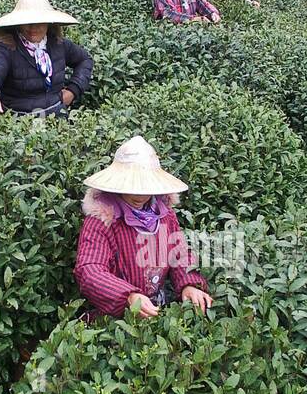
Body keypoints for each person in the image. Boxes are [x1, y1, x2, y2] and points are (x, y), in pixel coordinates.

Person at [74, 135, 213, 320]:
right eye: (132, 187)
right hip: (115, 317)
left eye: (144, 187)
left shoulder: (164, 215)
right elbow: (90, 270)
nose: (139, 196)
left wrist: (190, 285)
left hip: (157, 308)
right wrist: (128, 296)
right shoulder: (102, 220)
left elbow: (178, 254)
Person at [0, 0, 93, 118]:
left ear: (48, 23)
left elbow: (85, 60)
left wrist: (73, 90)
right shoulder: (6, 47)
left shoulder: (58, 44)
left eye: (39, 23)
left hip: (57, 118)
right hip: (19, 121)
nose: (33, 28)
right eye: (27, 23)